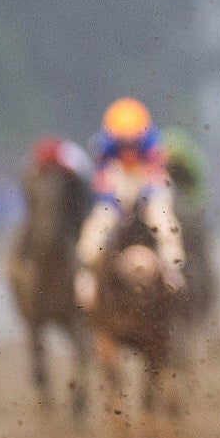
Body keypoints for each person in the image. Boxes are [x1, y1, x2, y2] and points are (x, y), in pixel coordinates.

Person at [74, 97, 186, 310]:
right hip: (118, 182)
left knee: (162, 218)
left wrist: (143, 200)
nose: (128, 147)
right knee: (100, 221)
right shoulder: (103, 146)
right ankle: (88, 273)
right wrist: (115, 205)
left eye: (132, 142)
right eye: (123, 142)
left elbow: (156, 177)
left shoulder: (154, 142)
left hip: (146, 182)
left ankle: (172, 269)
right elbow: (102, 182)